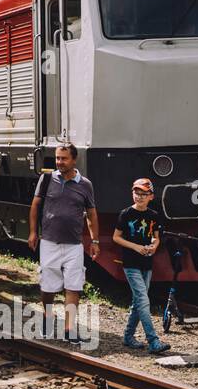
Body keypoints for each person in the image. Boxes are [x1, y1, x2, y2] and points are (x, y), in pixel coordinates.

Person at [27, 143, 98, 343]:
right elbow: (35, 206)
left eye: (64, 159)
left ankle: (69, 330)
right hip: (49, 241)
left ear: (74, 160)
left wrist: (95, 240)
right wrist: (33, 232)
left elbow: (91, 214)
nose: (59, 162)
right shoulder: (47, 179)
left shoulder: (85, 184)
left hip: (74, 243)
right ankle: (47, 317)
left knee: (73, 286)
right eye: (58, 158)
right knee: (48, 287)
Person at [112, 178, 171, 354]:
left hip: (147, 263)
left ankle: (128, 336)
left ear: (151, 196)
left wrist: (154, 245)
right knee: (143, 301)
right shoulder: (125, 214)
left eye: (144, 194)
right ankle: (153, 341)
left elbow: (156, 237)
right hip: (130, 263)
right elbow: (116, 237)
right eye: (137, 193)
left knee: (138, 302)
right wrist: (136, 247)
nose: (139, 196)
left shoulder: (153, 215)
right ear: (132, 193)